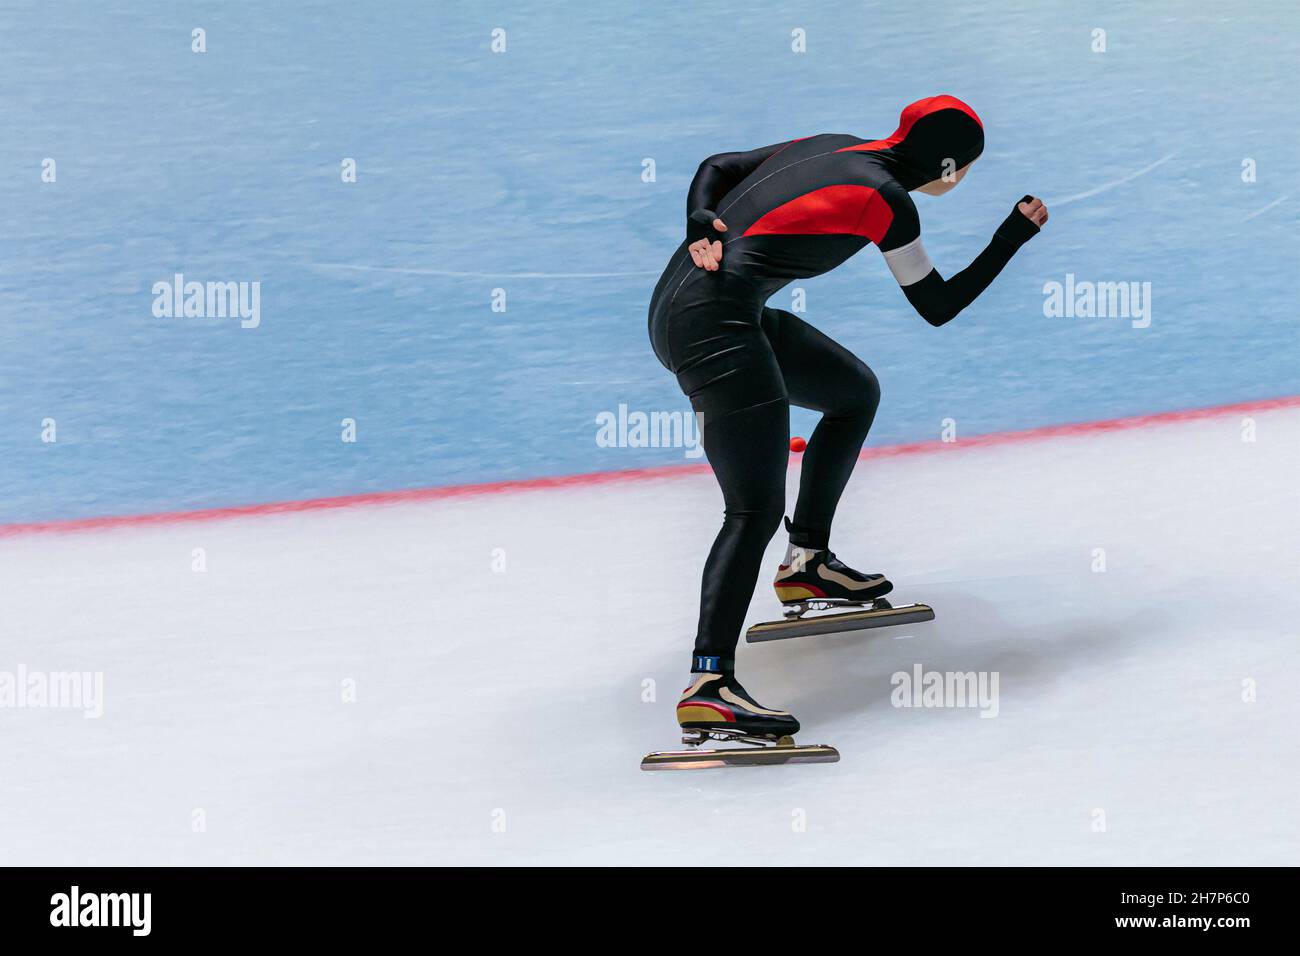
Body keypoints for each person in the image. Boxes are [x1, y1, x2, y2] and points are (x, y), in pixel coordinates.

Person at [647, 94, 1048, 738]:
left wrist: (699, 218)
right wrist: (1010, 238)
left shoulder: (837, 143)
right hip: (711, 328)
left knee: (853, 393)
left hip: (700, 308)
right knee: (750, 511)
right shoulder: (888, 202)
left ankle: (806, 562)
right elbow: (937, 305)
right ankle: (709, 683)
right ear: (952, 169)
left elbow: (717, 165)